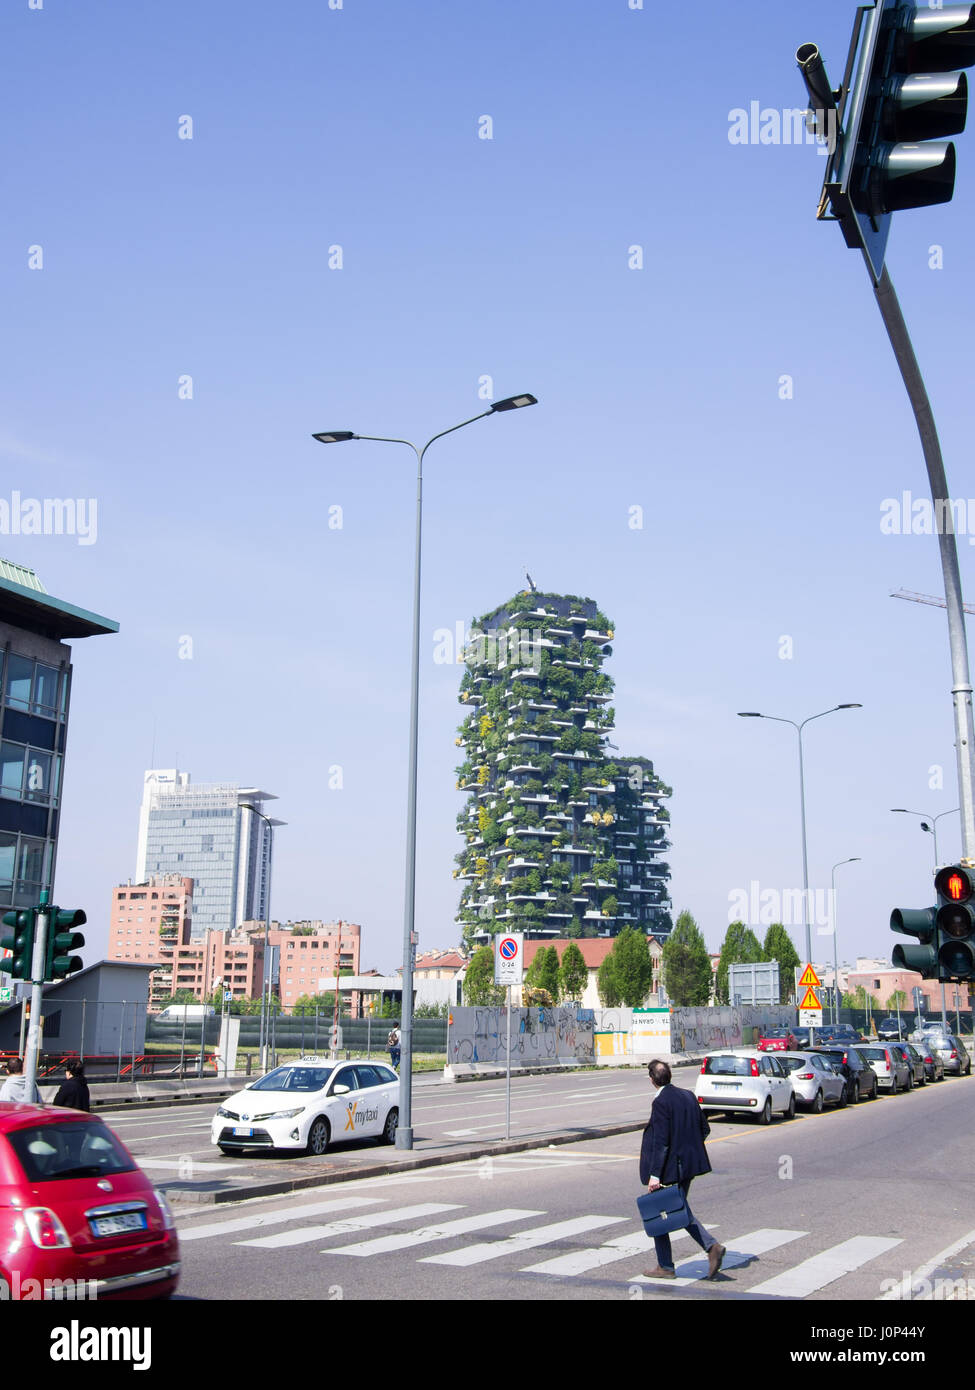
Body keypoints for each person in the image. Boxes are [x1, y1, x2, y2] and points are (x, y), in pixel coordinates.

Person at [640, 1058, 725, 1280]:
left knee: (661, 1212)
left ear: (651, 1080)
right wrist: (688, 1148)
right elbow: (704, 1129)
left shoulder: (660, 1102)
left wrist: (655, 1175)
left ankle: (676, 1261)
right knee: (676, 1209)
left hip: (670, 1169)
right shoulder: (688, 1095)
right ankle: (701, 1250)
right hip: (689, 1166)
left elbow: (662, 1141)